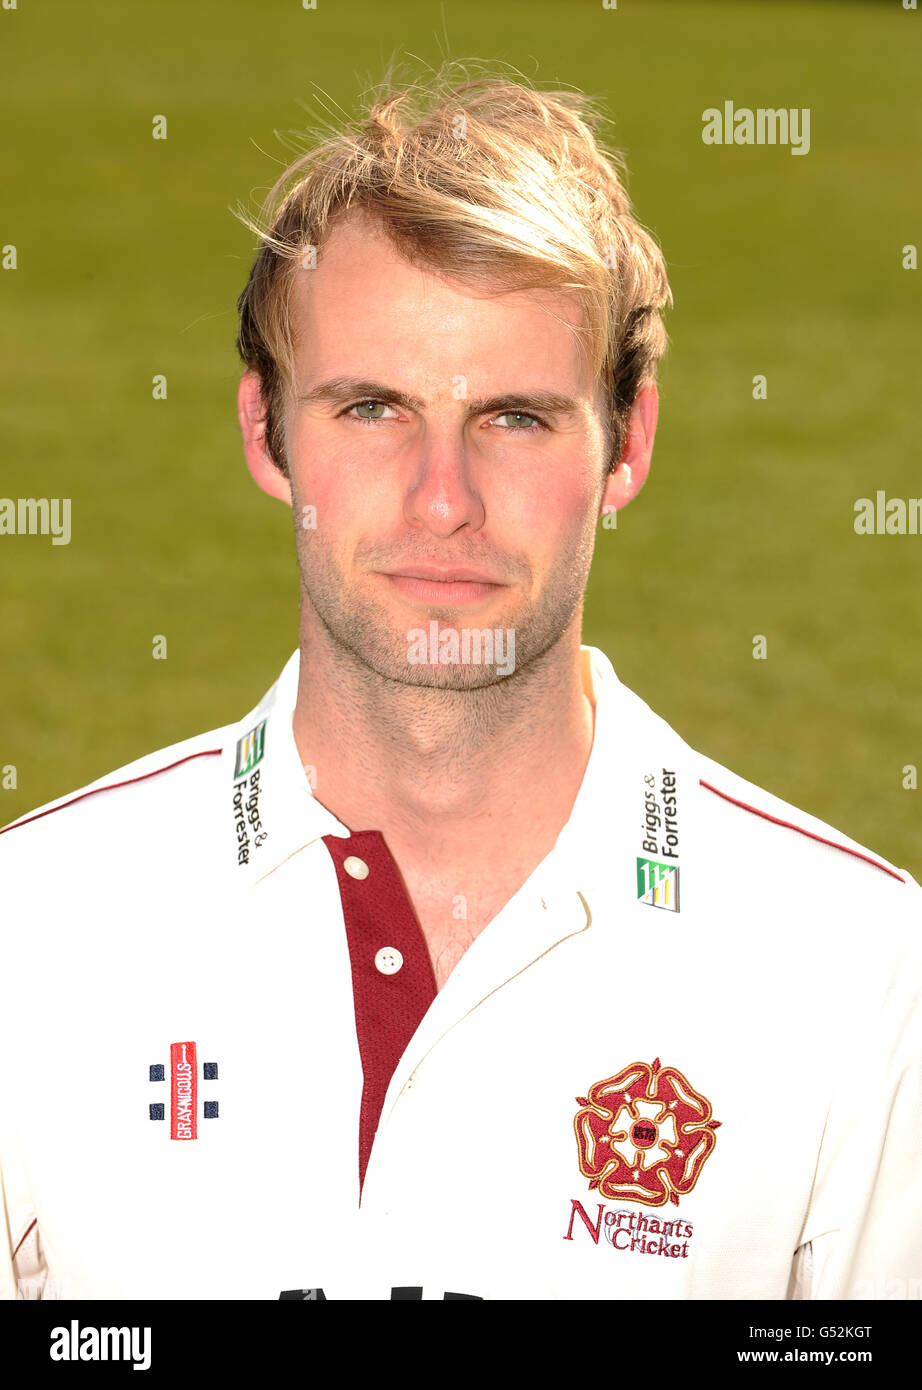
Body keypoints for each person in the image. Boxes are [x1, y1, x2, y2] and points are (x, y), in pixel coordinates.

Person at [1, 62, 919, 1302]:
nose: (443, 499)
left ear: (628, 444)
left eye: (516, 417)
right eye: (372, 407)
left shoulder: (858, 970)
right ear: (268, 435)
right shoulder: (37, 925)